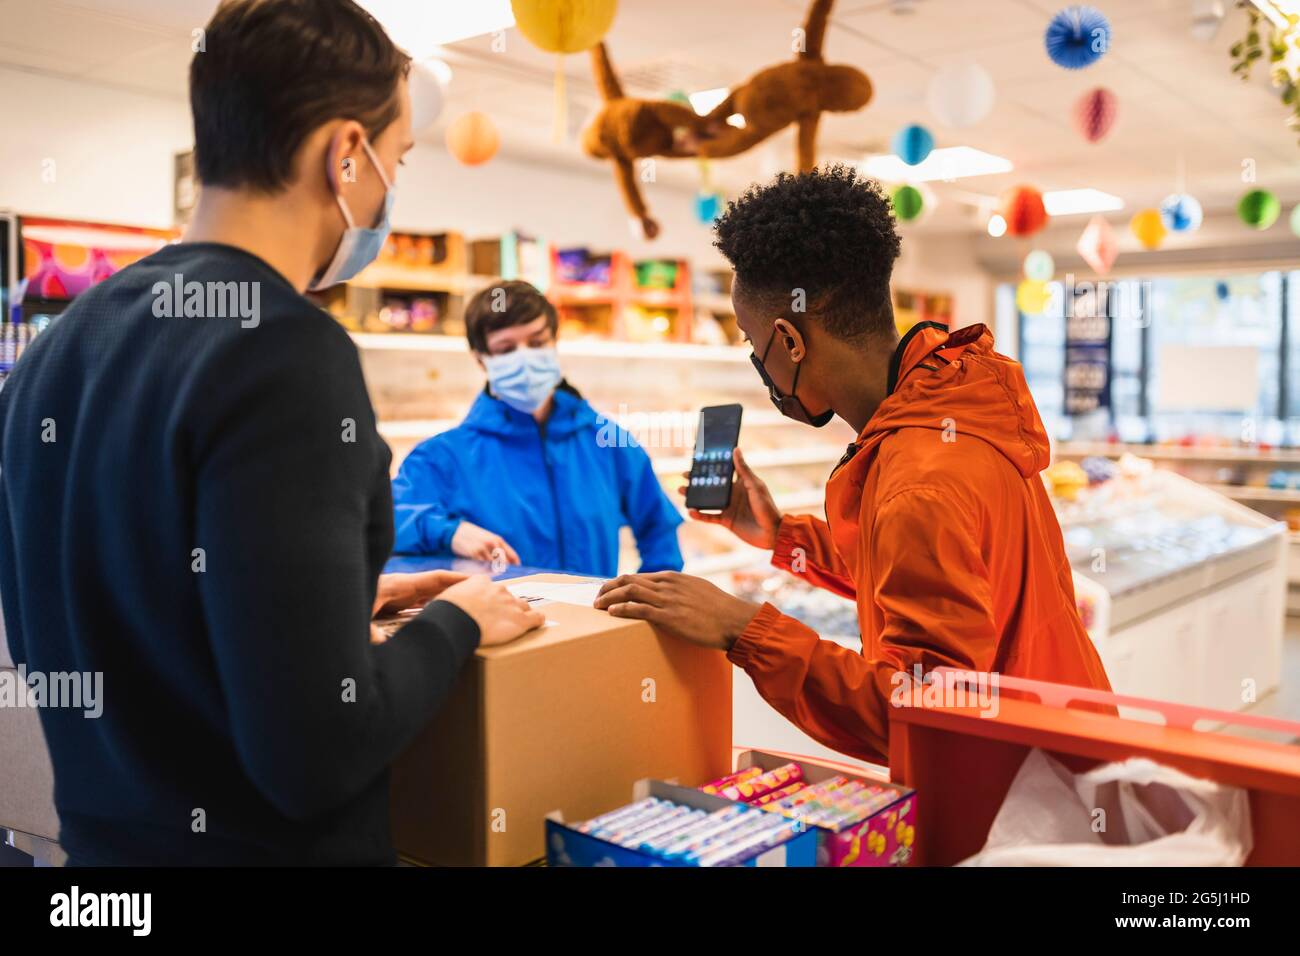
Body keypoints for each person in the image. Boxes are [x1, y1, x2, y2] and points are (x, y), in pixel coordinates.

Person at [0, 0, 542, 866]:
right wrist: (459, 619)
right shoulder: (285, 349)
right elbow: (315, 755)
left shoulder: (59, 348)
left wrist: (335, 605)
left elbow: (81, 625)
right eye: (396, 160)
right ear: (346, 153)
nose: (390, 190)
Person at [595, 164, 1111, 765]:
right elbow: (926, 567)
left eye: (749, 339)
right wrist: (783, 538)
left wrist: (745, 629)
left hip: (1021, 793)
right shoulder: (952, 396)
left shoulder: (918, 480)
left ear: (789, 342)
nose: (754, 358)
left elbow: (929, 715)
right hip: (1064, 746)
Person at [391, 280, 684, 577]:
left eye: (537, 342)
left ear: (554, 342)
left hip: (595, 620)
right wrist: (450, 532)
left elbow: (659, 526)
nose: (525, 358)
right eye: (505, 349)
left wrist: (650, 601)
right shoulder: (441, 458)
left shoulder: (608, 441)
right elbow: (386, 521)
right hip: (500, 622)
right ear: (481, 359)